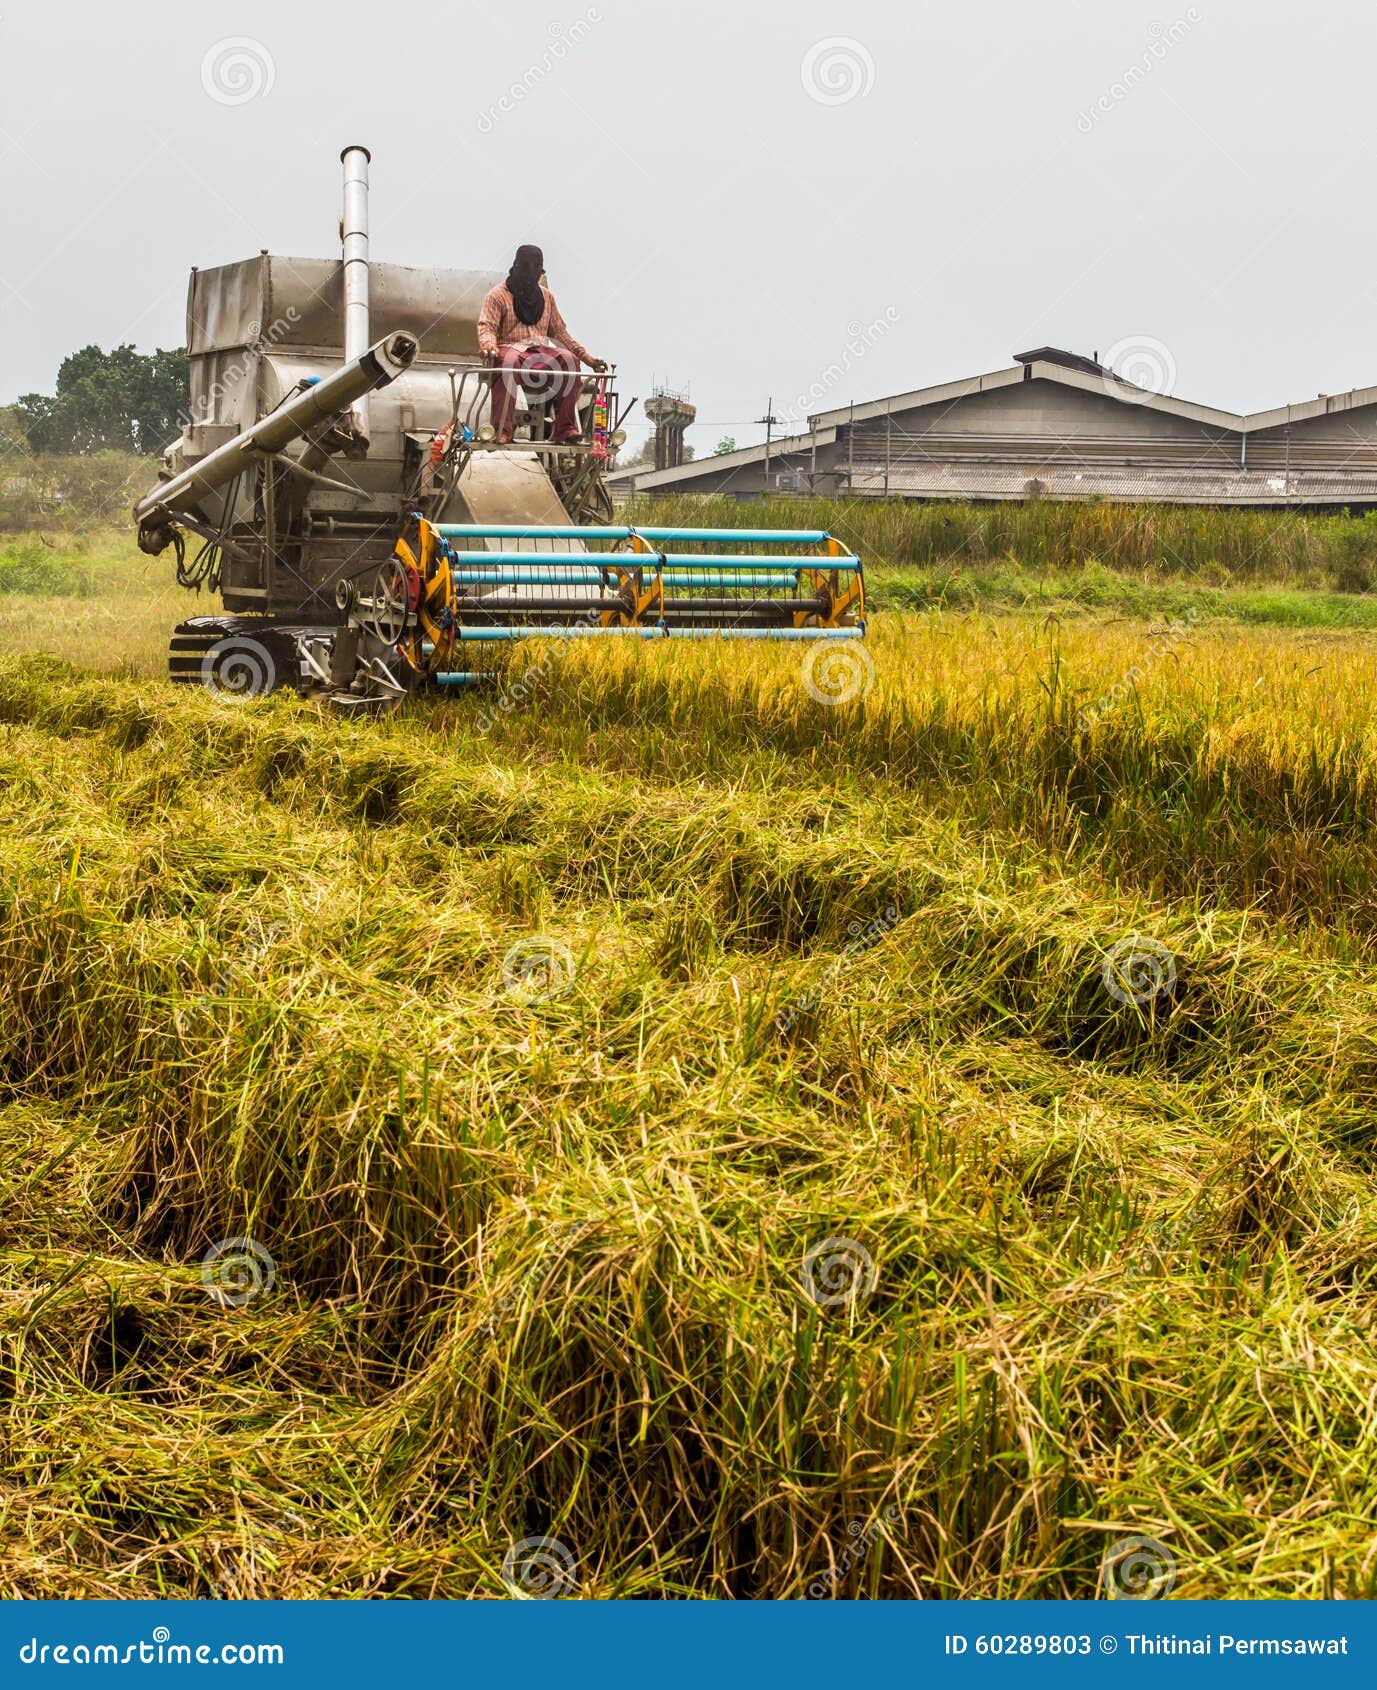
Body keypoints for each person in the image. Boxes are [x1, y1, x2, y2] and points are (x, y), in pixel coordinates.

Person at [477, 245, 606, 444]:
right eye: (526, 269)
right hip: (510, 351)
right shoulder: (497, 296)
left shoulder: (547, 297)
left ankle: (566, 430)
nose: (531, 275)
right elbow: (488, 327)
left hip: (540, 354)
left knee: (568, 360)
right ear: (516, 269)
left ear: (540, 273)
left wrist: (588, 359)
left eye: (536, 270)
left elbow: (561, 333)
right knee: (506, 360)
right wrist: (488, 346)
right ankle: (502, 430)